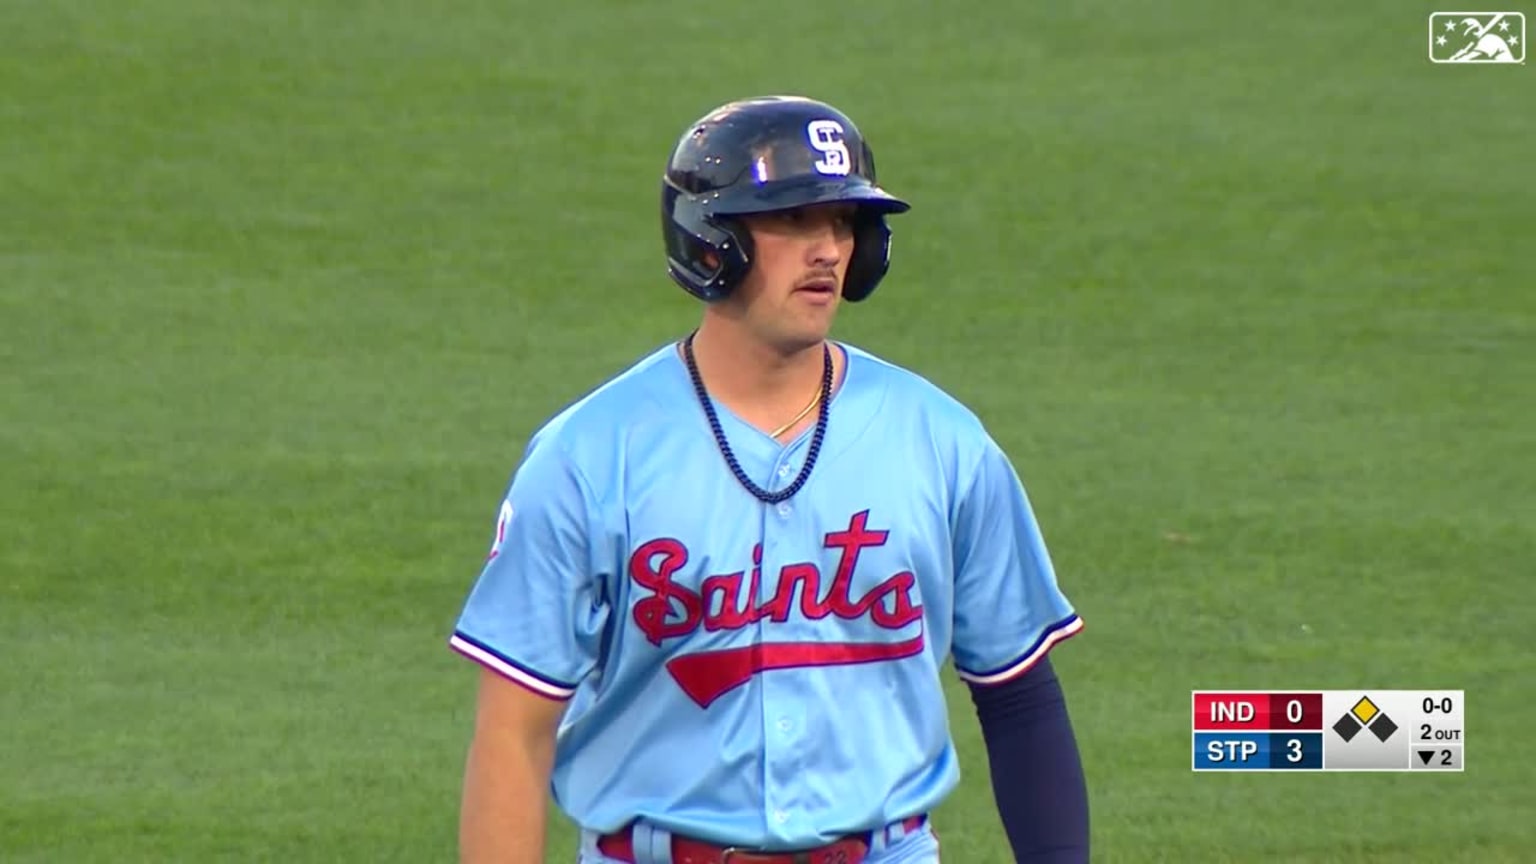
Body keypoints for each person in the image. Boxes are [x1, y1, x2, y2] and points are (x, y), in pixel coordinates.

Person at [448, 95, 1090, 864]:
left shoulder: (943, 443)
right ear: (712, 241)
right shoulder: (589, 457)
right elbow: (515, 734)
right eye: (792, 220)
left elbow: (1018, 697)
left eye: (844, 223)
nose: (827, 249)